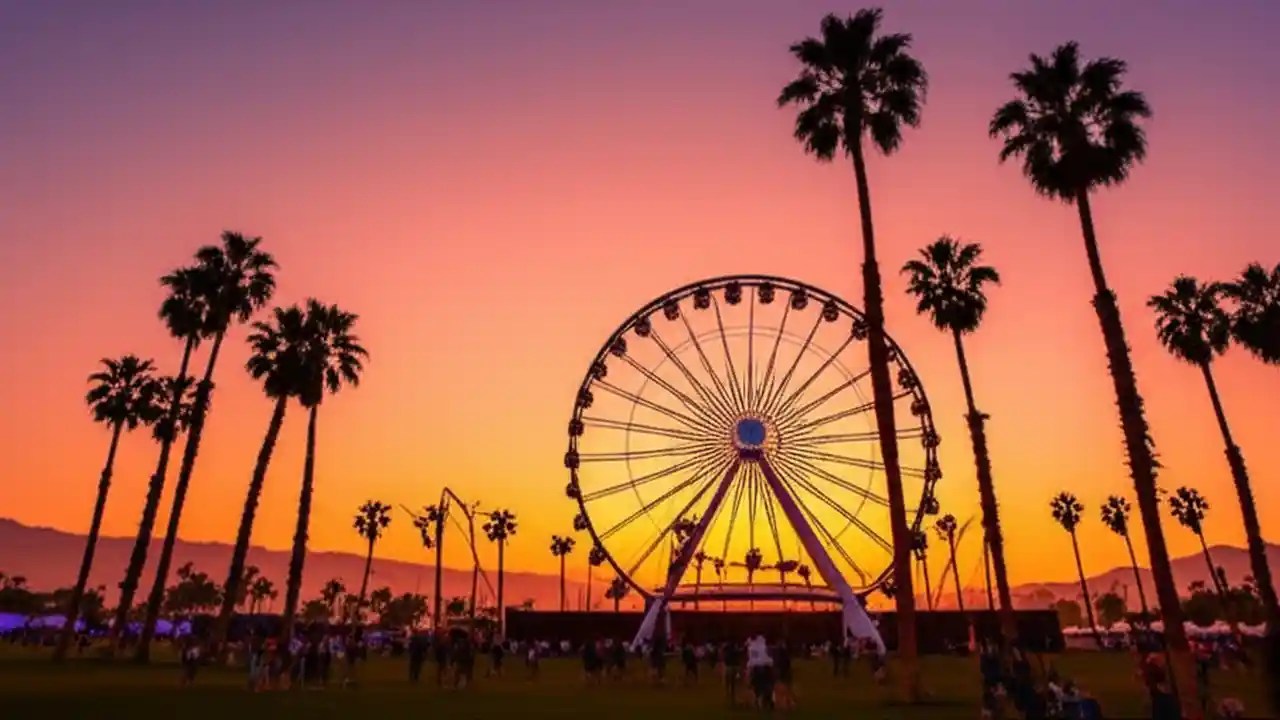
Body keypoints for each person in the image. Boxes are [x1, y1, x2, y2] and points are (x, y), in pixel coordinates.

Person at [746, 634, 774, 711]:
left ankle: (759, 701)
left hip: (757, 668)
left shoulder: (752, 647)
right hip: (764, 668)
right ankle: (766, 701)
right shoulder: (762, 646)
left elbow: (751, 659)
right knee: (766, 686)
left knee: (758, 686)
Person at [722, 639, 744, 707]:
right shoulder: (736, 651)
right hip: (735, 668)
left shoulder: (727, 651)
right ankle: (735, 698)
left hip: (729, 668)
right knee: (736, 683)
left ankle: (730, 697)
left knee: (729, 683)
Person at [772, 641, 794, 709]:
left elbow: (777, 663)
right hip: (785, 672)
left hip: (782, 672)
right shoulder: (784, 654)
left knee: (780, 687)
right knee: (786, 687)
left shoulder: (779, 654)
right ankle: (788, 702)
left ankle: (782, 702)